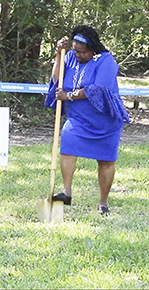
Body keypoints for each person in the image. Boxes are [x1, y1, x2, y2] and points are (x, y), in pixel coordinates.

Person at [45, 25, 130, 214]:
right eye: (75, 51)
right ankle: (66, 192)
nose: (77, 55)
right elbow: (56, 78)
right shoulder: (70, 56)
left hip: (105, 121)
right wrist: (59, 54)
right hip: (78, 119)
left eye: (81, 52)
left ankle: (103, 202)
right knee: (67, 144)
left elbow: (97, 89)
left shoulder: (106, 61)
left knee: (106, 160)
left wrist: (69, 95)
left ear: (92, 49)